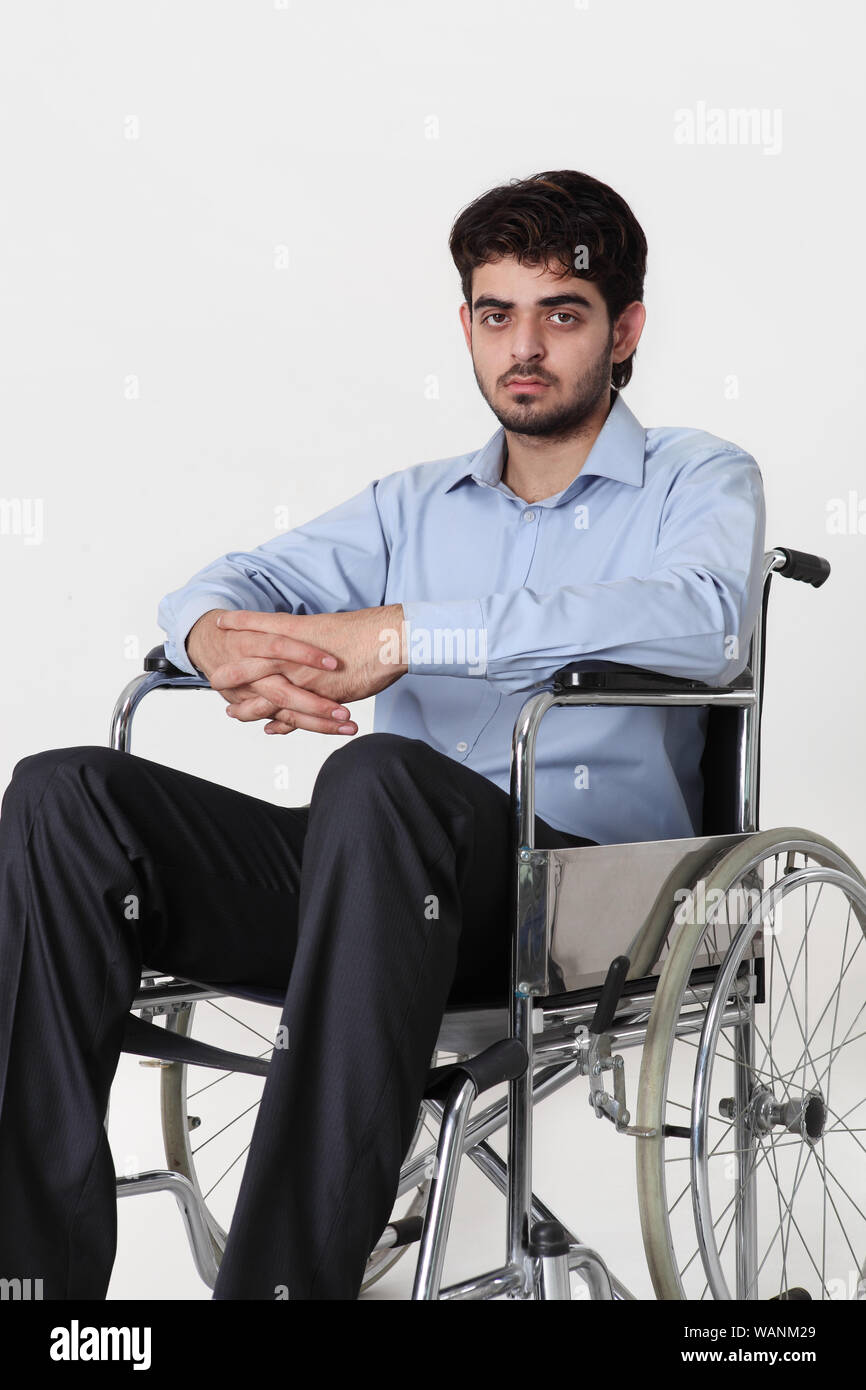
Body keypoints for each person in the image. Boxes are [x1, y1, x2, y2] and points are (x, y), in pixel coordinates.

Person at [0, 169, 765, 1301]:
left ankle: (278, 1292)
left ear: (623, 330)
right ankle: (35, 1294)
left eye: (561, 314)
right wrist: (216, 637)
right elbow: (235, 580)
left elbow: (703, 623)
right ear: (464, 325)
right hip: (374, 877)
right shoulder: (413, 503)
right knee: (63, 793)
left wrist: (409, 633)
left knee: (376, 774)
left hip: (568, 891)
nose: (524, 346)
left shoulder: (694, 476)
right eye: (495, 313)